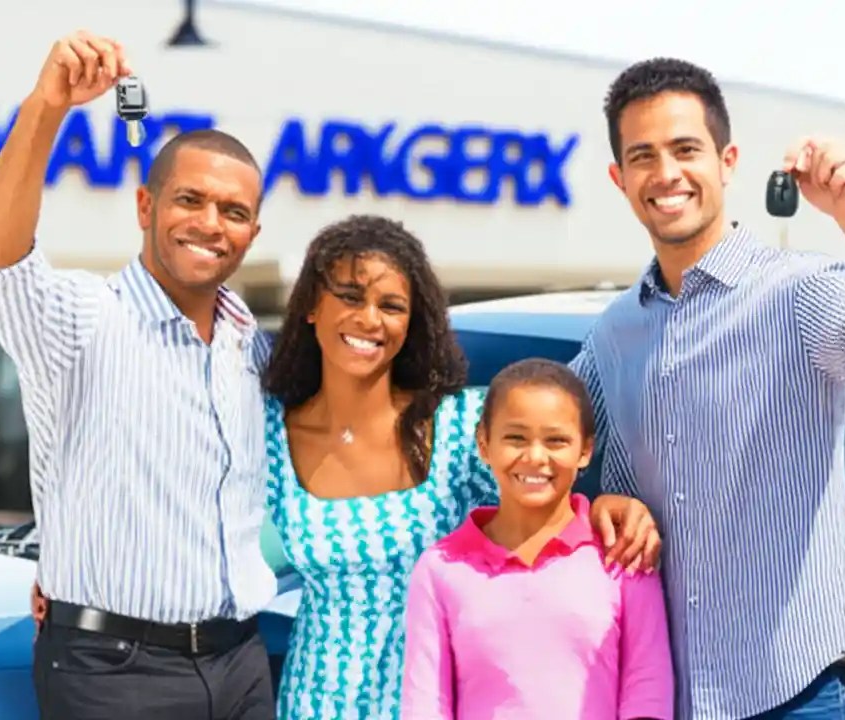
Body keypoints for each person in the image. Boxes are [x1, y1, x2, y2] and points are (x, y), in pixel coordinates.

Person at [569, 57, 845, 720]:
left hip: (793, 691)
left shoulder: (798, 292)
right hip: (656, 695)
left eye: (686, 149)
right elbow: (530, 463)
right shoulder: (614, 334)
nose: (665, 173)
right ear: (619, 178)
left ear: (727, 161)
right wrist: (597, 505)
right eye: (643, 156)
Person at [0, 29, 278, 719]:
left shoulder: (253, 348)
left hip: (243, 664)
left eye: (234, 211)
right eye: (190, 199)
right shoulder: (81, 319)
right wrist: (47, 107)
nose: (210, 223)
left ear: (252, 233)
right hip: (114, 675)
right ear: (145, 207)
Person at [259, 216, 664, 719]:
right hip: (316, 701)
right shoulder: (270, 432)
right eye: (348, 296)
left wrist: (609, 500)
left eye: (391, 305)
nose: (369, 319)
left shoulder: (459, 425)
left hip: (453, 700)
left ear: (412, 322)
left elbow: (546, 482)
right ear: (311, 308)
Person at [400, 358, 674, 720]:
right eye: (515, 438)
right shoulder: (440, 569)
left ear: (585, 451)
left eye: (556, 440)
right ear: (484, 444)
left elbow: (648, 693)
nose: (535, 457)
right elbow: (425, 705)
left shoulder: (622, 554)